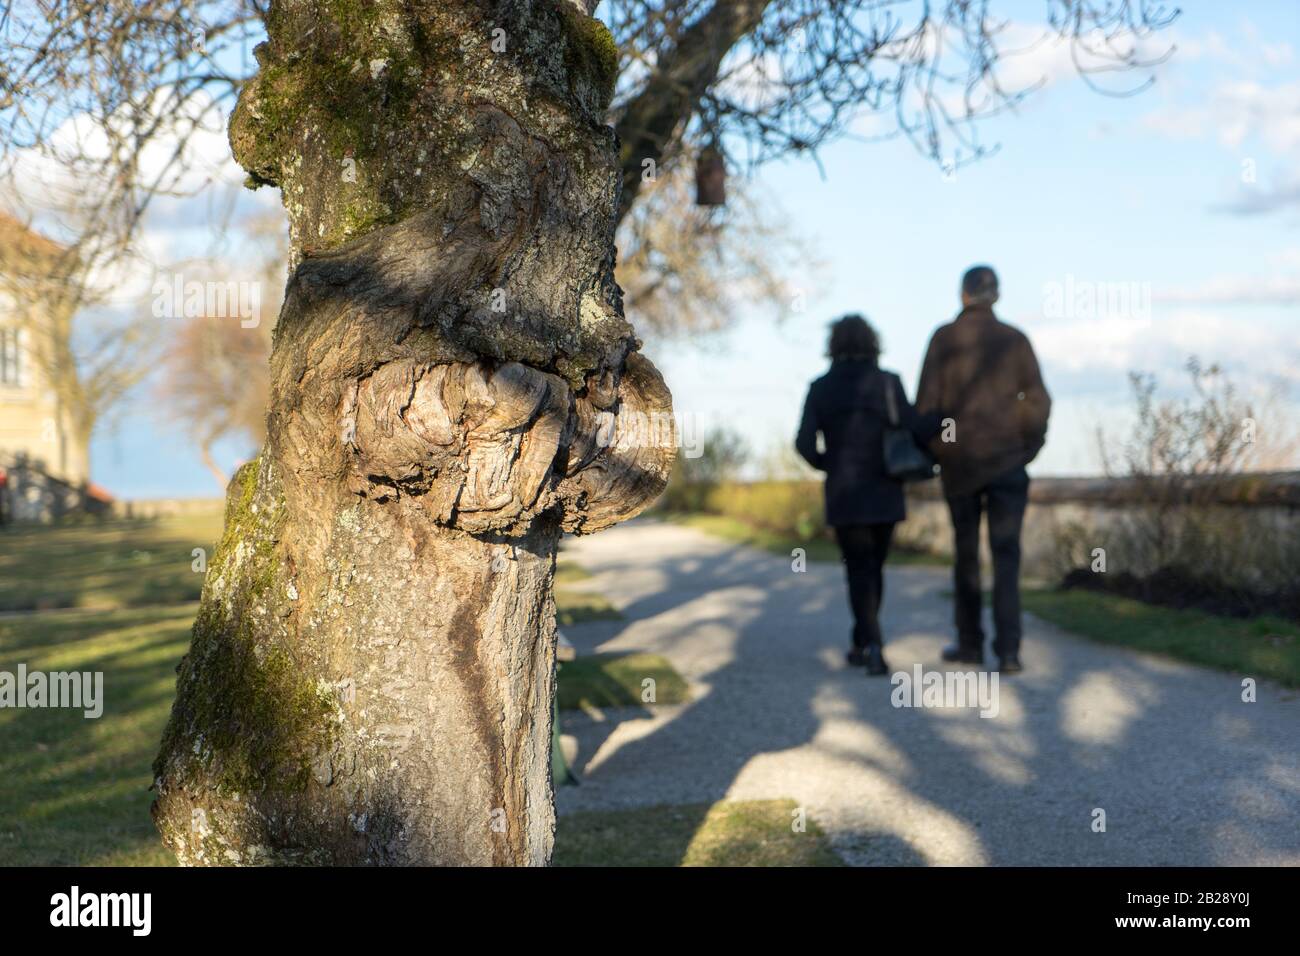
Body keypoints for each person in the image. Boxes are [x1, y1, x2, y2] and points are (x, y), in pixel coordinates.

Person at [916, 266, 1051, 673]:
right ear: (996, 296)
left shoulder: (944, 340)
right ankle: (1009, 652)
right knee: (1007, 558)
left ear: (963, 296)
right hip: (1008, 464)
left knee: (967, 556)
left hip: (961, 467)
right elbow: (1038, 402)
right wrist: (1026, 448)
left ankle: (971, 643)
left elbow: (925, 410)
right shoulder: (1015, 341)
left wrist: (940, 450)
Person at [796, 314, 942, 676]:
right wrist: (945, 416)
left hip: (844, 491)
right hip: (884, 489)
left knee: (857, 569)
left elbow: (803, 443)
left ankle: (865, 642)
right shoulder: (888, 383)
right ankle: (871, 643)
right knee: (873, 568)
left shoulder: (821, 387)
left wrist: (828, 463)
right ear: (872, 343)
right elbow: (915, 427)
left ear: (834, 345)